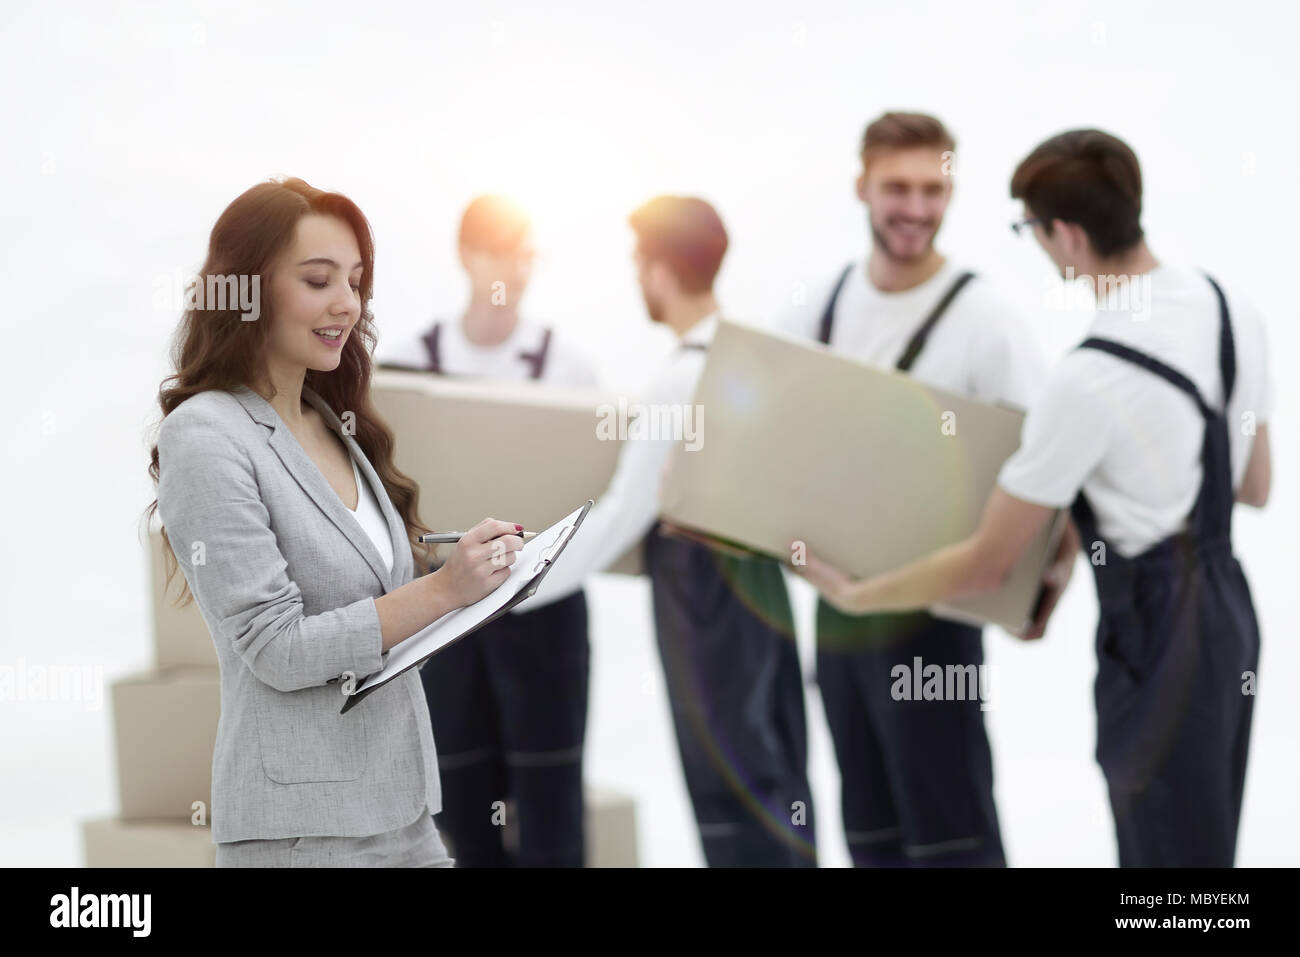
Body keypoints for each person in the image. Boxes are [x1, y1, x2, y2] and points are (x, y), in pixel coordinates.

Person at [797, 129, 1271, 868]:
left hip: (1154, 632)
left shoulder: (1085, 379)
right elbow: (1255, 483)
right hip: (1229, 614)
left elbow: (989, 564)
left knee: (1164, 875)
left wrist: (861, 595)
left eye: (1034, 231)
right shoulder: (1225, 303)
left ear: (1068, 235)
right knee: (1203, 860)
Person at [147, 177, 526, 868]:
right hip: (302, 832)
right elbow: (278, 647)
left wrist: (479, 573)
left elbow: (378, 606)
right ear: (248, 288)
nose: (346, 303)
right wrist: (444, 592)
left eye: (355, 281)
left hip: (401, 806)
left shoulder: (330, 422)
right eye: (319, 279)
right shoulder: (205, 435)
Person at [776, 111, 1047, 867]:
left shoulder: (986, 317)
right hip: (837, 623)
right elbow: (764, 434)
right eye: (898, 186)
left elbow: (1047, 466)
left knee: (953, 840)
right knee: (871, 838)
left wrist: (1041, 585)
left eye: (935, 188)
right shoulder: (820, 307)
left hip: (935, 626)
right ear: (862, 184)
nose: (917, 207)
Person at [520, 196, 818, 867]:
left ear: (657, 270)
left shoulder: (682, 375)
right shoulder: (756, 357)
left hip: (706, 607)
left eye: (636, 262)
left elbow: (621, 515)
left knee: (726, 794)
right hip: (764, 597)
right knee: (779, 777)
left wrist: (514, 588)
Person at [379, 196, 600, 867]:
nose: (517, 268)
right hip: (447, 613)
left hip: (543, 611)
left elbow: (592, 499)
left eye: (528, 253)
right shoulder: (406, 365)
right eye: (502, 251)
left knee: (551, 804)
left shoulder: (568, 368)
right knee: (460, 805)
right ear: (467, 255)